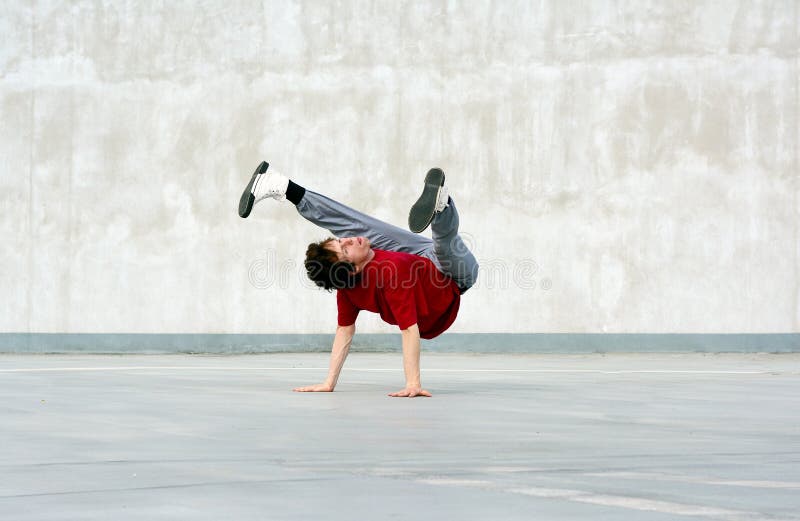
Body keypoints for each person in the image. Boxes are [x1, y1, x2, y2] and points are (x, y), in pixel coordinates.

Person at [238, 161, 479, 398]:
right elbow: (408, 330)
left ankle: (283, 186)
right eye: (345, 249)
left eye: (340, 241)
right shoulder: (389, 273)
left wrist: (329, 382)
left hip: (418, 258)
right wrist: (412, 383)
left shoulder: (352, 268)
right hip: (453, 279)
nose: (349, 240)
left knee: (353, 224)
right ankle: (442, 206)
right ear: (352, 270)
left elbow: (344, 329)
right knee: (446, 246)